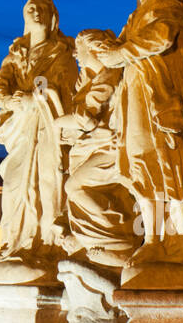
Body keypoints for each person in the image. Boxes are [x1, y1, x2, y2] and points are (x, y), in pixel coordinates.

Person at [87, 0, 183, 286]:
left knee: (165, 164)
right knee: (141, 165)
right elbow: (117, 57)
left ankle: (181, 243)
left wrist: (121, 52)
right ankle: (154, 239)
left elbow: (162, 36)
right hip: (135, 102)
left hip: (159, 100)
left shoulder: (168, 2)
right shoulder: (135, 15)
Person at [0, 0, 77, 284]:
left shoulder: (62, 52)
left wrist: (36, 98)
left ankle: (45, 244)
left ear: (51, 16)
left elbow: (67, 88)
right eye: (29, 9)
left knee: (46, 184)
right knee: (13, 185)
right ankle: (15, 242)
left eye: (40, 9)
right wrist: (12, 101)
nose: (35, 12)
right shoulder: (15, 54)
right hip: (21, 130)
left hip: (47, 129)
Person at [57, 30, 136, 268]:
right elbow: (79, 125)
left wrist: (56, 121)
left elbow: (85, 116)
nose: (77, 58)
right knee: (80, 190)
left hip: (109, 149)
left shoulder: (107, 76)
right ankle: (96, 240)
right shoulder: (90, 81)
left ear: (94, 51)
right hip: (89, 149)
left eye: (80, 53)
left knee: (75, 186)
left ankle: (115, 235)